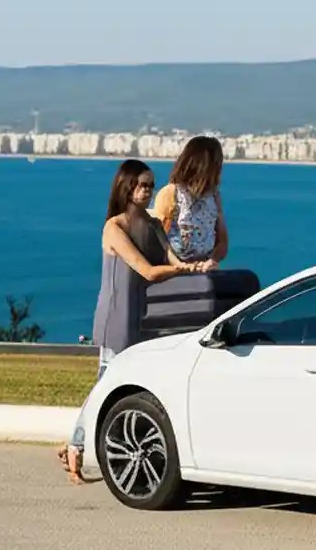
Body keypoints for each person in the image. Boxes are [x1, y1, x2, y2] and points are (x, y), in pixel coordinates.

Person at [57, 158, 211, 483]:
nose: (147, 191)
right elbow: (148, 270)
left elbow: (172, 260)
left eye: (151, 185)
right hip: (119, 317)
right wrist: (184, 269)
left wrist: (193, 266)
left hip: (148, 316)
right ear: (126, 187)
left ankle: (80, 443)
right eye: (141, 184)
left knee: (124, 384)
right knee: (106, 384)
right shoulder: (115, 228)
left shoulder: (154, 225)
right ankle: (76, 445)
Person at [153, 135, 229, 269]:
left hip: (204, 268)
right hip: (174, 270)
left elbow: (222, 242)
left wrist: (212, 260)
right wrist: (180, 265)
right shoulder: (171, 193)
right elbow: (157, 241)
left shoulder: (214, 197)